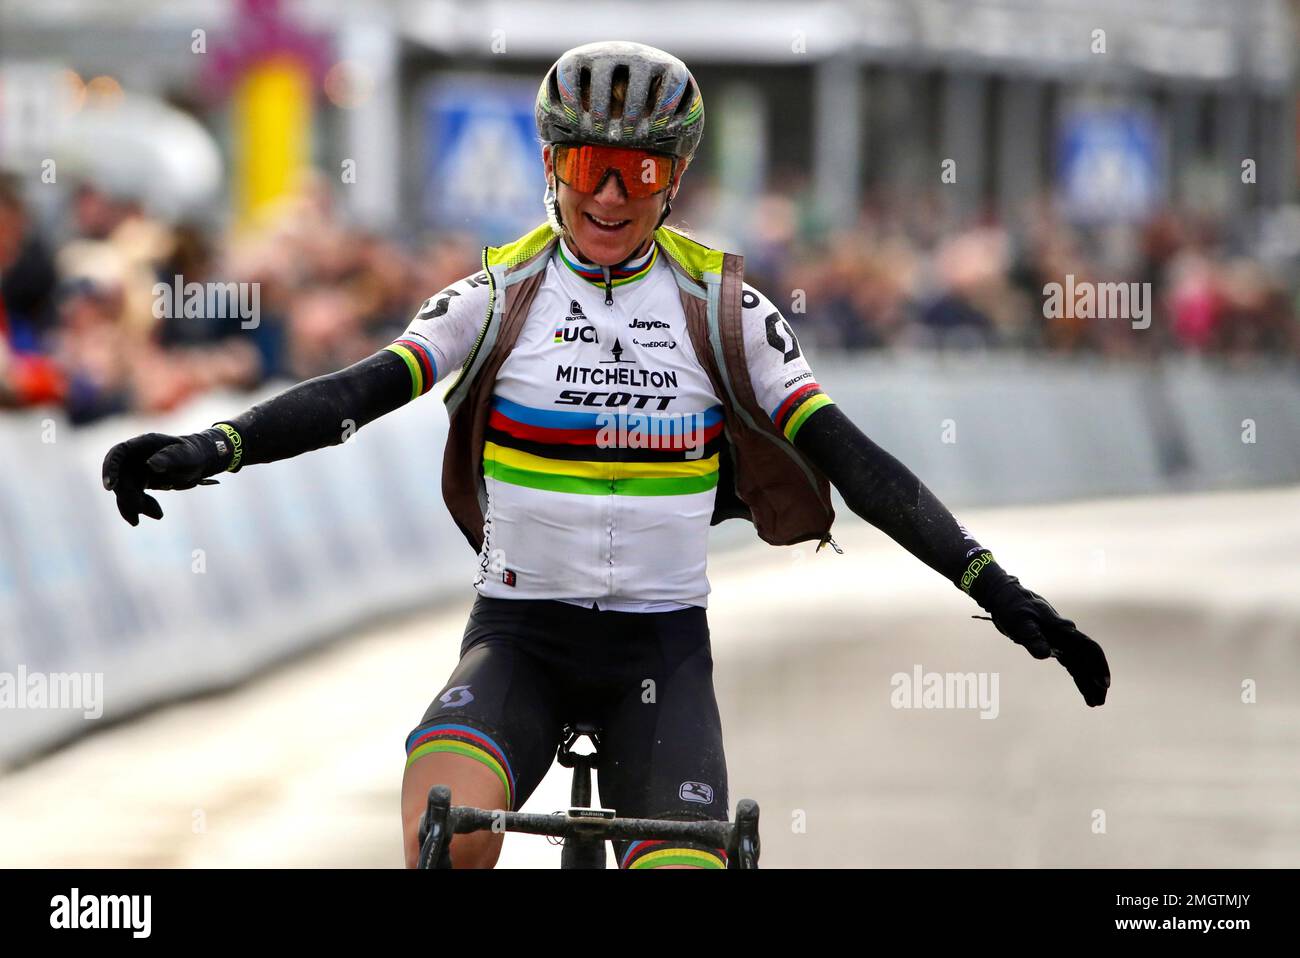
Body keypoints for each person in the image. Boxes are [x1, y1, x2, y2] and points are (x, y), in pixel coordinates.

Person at [102, 41, 1110, 870]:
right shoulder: (500, 294)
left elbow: (858, 465)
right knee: (443, 834)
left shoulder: (725, 313)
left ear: (674, 180)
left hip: (657, 655)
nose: (614, 195)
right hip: (520, 642)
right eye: (592, 168)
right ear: (552, 168)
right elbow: (354, 395)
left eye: (642, 171)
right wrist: (211, 447)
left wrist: (998, 588)